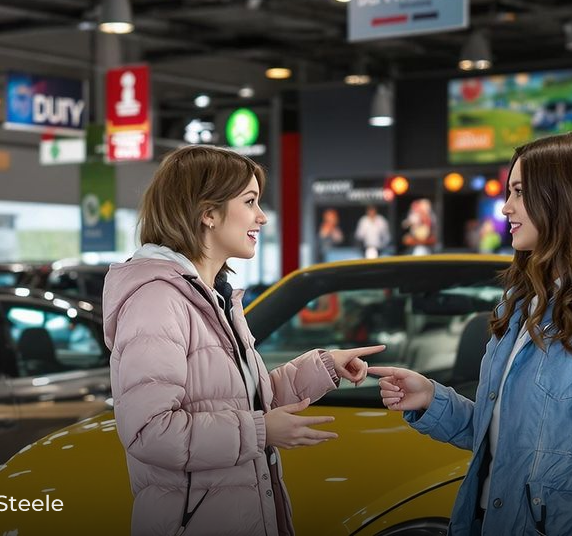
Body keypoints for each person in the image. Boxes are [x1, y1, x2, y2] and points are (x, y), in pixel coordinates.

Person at [371, 132, 572, 536]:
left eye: (520, 193)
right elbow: (513, 445)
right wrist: (432, 400)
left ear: (567, 198)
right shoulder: (524, 302)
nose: (505, 208)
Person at [102, 145, 385, 536]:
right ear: (208, 212)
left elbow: (241, 402)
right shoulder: (157, 299)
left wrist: (321, 367)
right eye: (250, 201)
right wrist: (260, 432)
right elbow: (148, 431)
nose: (262, 216)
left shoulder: (213, 296)